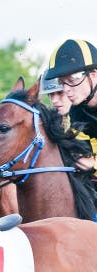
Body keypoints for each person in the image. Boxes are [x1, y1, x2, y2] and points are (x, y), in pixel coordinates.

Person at [43, 39, 97, 178]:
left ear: (93, 75)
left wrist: (94, 164)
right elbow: (84, 153)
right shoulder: (76, 112)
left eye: (72, 81)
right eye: (62, 83)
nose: (66, 89)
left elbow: (91, 163)